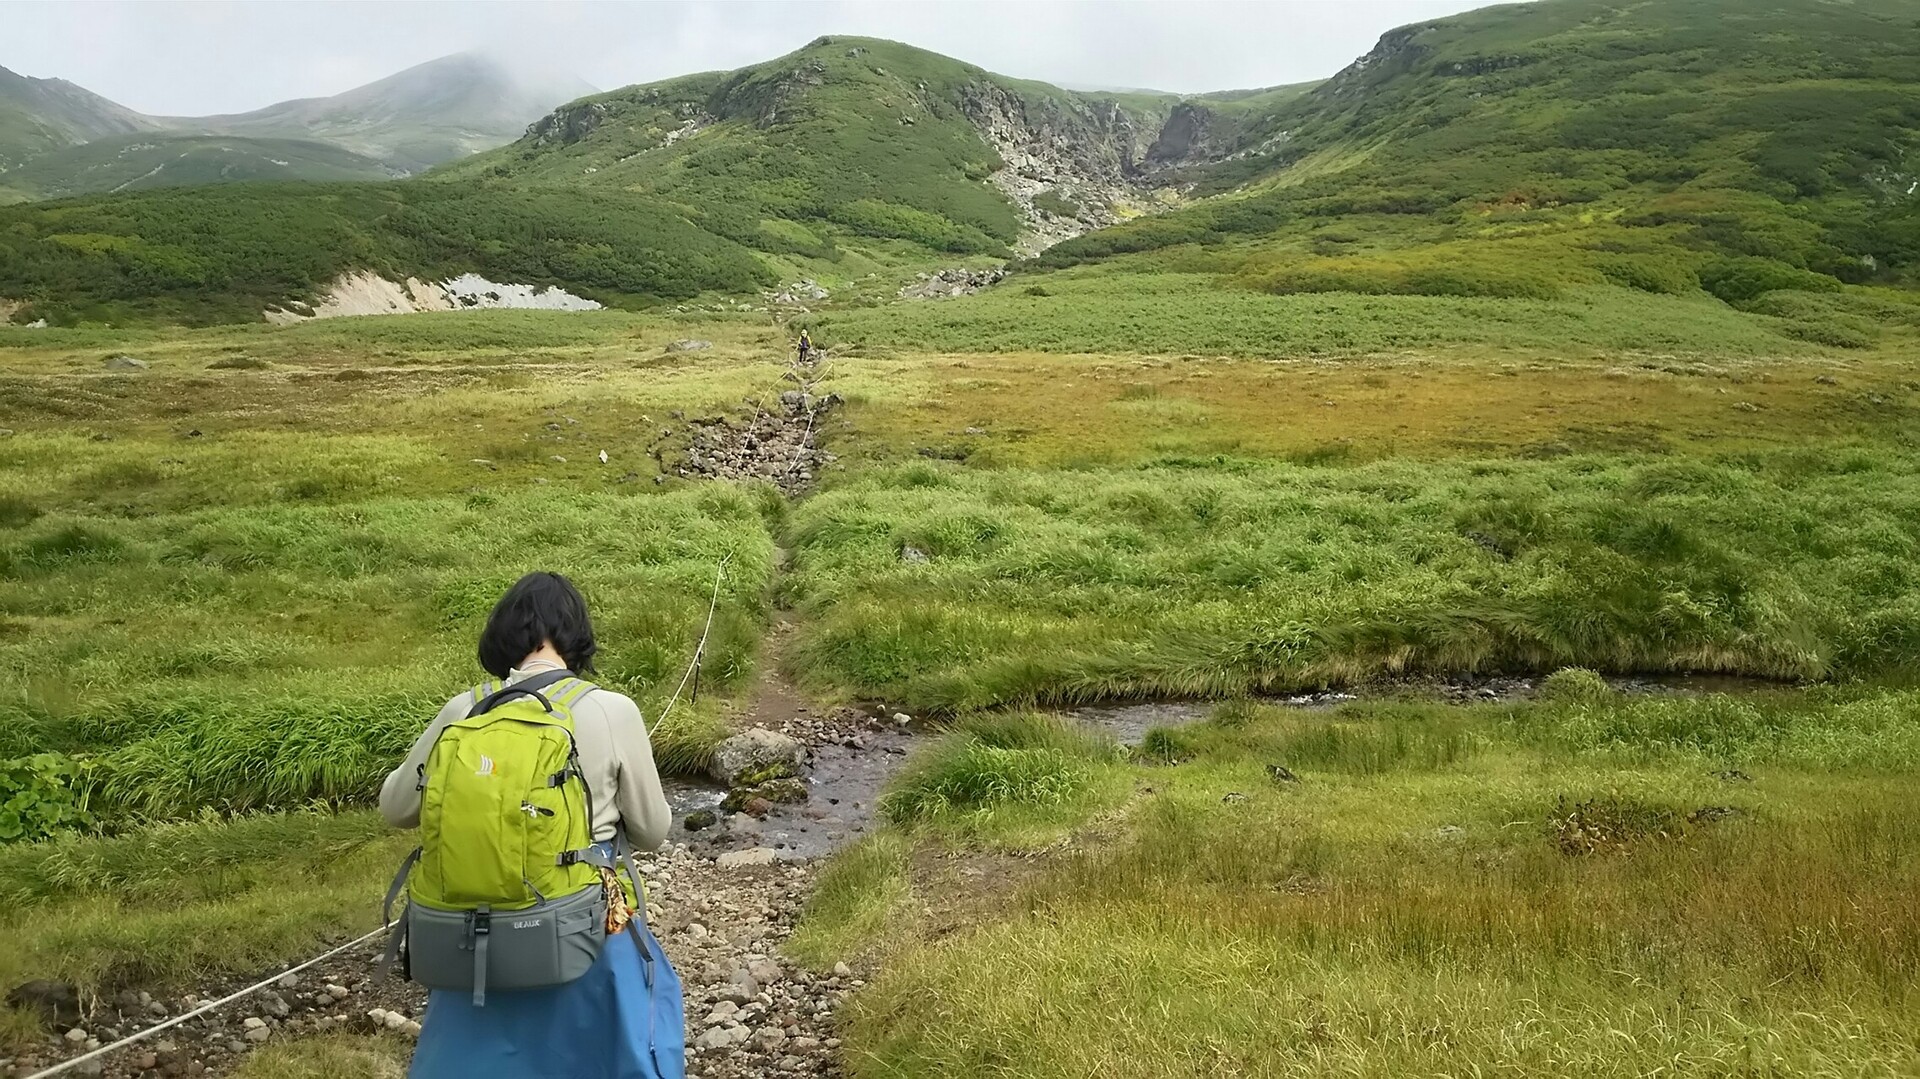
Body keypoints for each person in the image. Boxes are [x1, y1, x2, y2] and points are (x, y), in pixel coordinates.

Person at [380, 571, 681, 1079]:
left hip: (471, 937)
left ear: (505, 635)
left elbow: (396, 809)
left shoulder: (465, 708)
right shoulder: (612, 710)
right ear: (574, 635)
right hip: (580, 929)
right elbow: (653, 831)